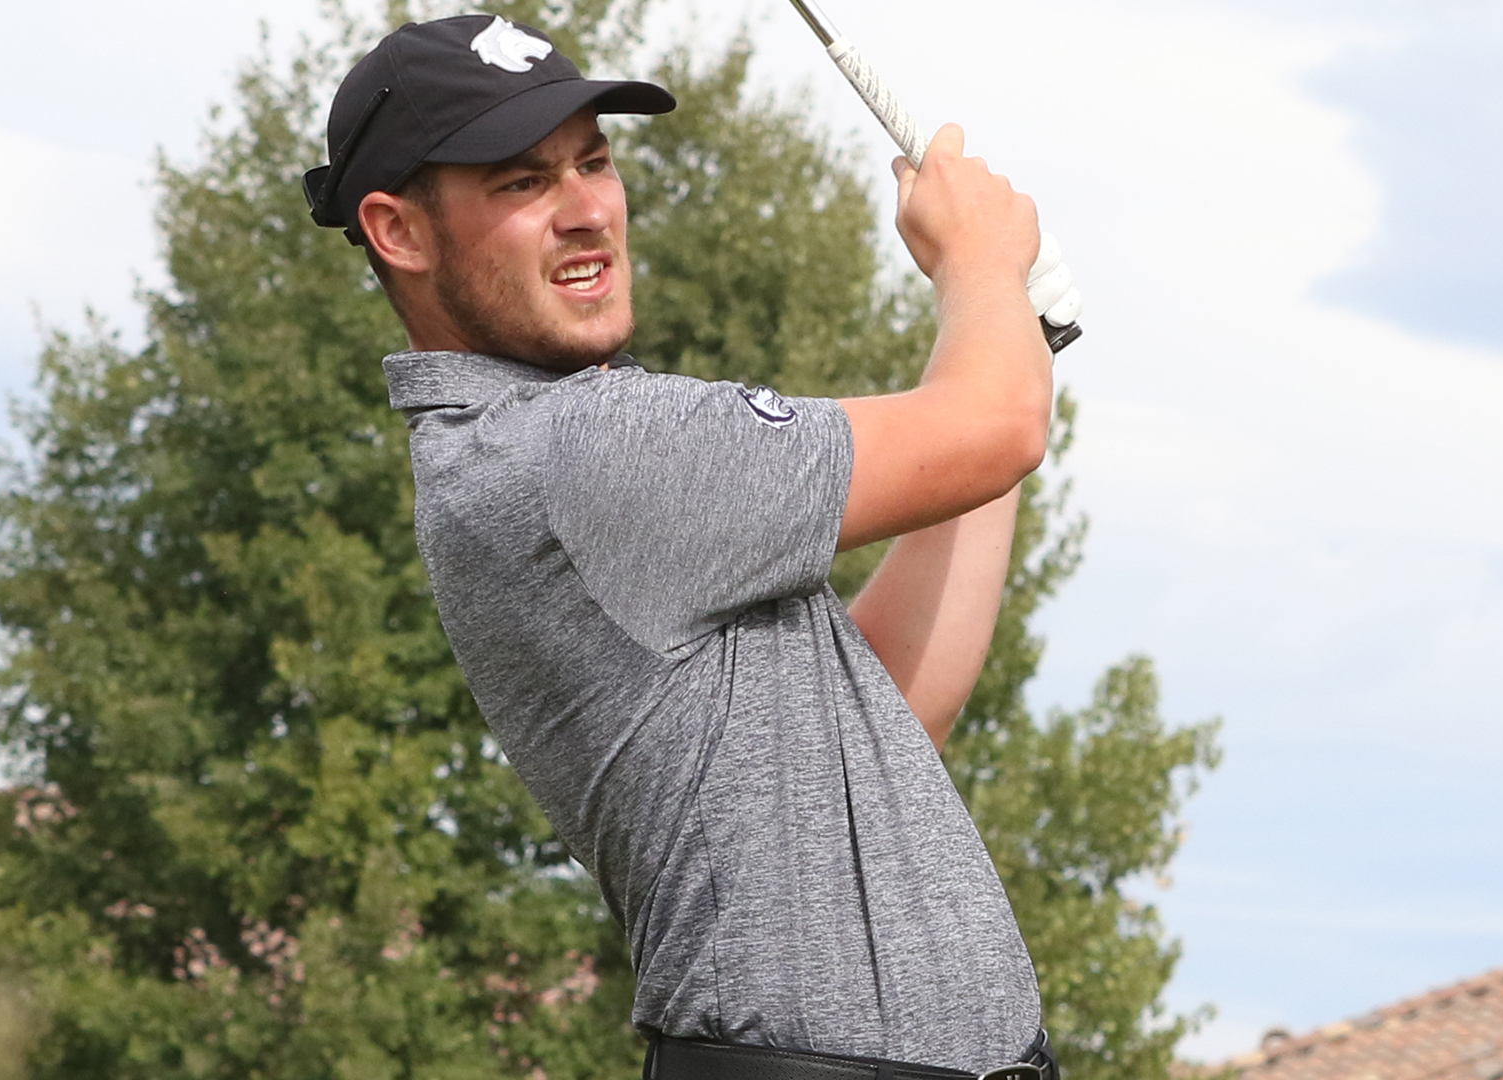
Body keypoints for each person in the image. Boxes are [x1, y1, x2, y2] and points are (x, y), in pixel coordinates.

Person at [303, 14, 1076, 1080]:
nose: (588, 210)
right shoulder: (576, 446)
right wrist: (980, 263)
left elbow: (901, 700)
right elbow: (993, 425)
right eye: (522, 182)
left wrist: (1012, 331)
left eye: (594, 162)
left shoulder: (544, 451)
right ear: (399, 231)